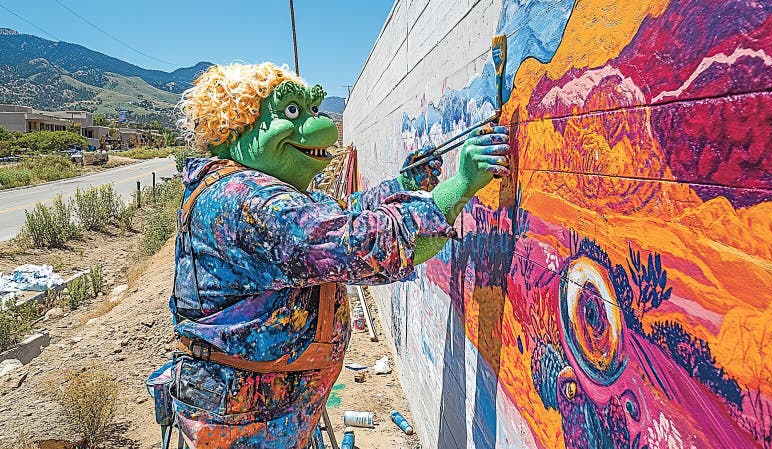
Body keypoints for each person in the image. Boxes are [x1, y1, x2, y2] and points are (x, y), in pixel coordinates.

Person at [148, 62, 510, 448]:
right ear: (235, 127)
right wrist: (459, 187)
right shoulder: (244, 199)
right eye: (291, 113)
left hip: (269, 404)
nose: (318, 126)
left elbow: (335, 212)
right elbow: (352, 243)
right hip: (246, 419)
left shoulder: (270, 186)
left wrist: (405, 184)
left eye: (312, 111)